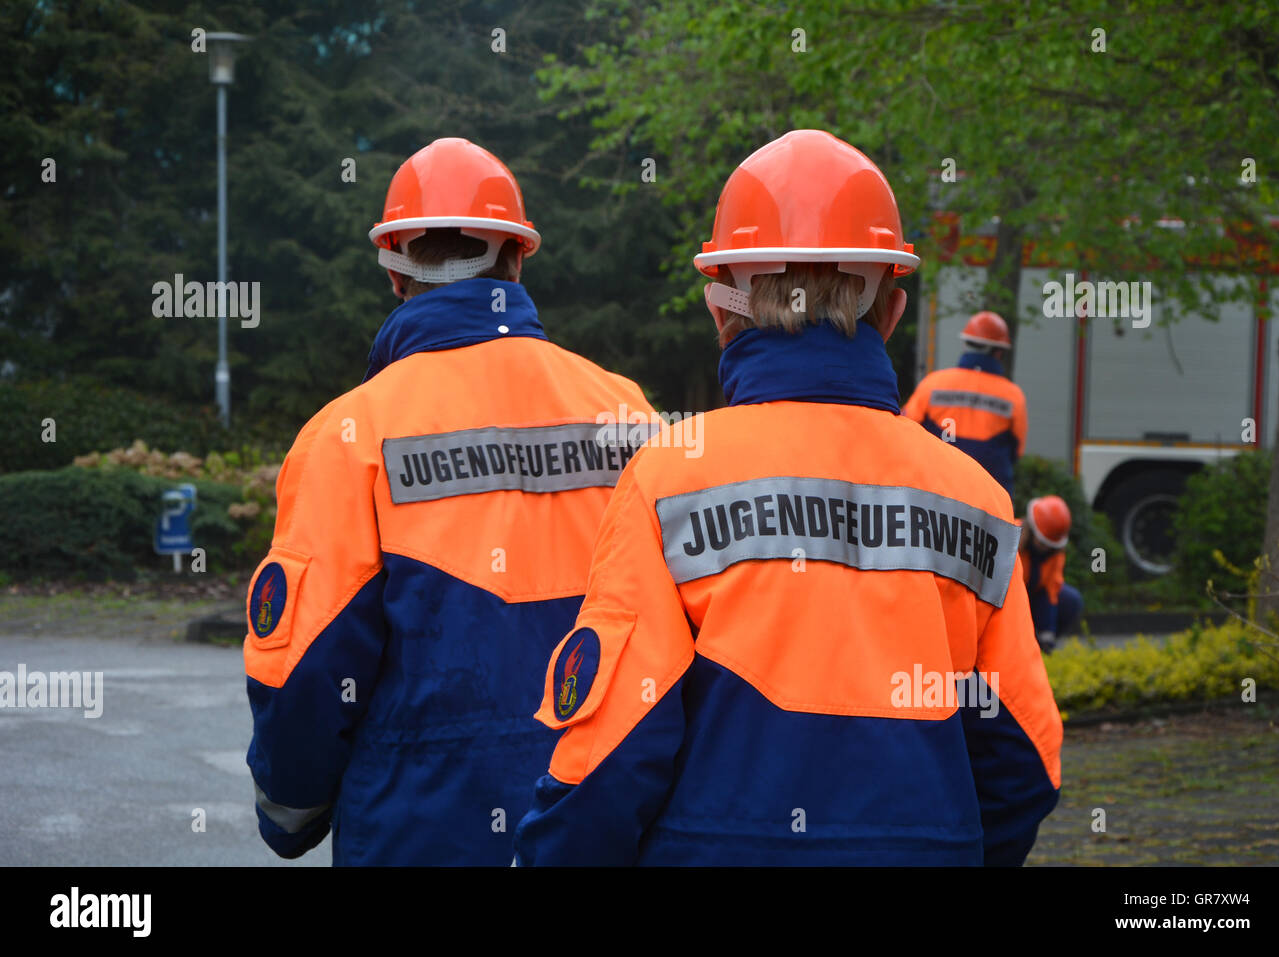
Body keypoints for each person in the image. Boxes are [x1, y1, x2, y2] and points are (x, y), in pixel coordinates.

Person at [514, 130, 1062, 866]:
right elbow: (1023, 760)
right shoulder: (981, 501)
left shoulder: (669, 478)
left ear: (722, 309)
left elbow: (615, 753)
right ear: (892, 310)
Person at [242, 137, 656, 864]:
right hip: (598, 827)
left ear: (395, 272)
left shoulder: (348, 435)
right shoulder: (626, 413)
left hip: (416, 834)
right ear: (517, 259)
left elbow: (309, 666)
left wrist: (290, 810)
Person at [903, 311, 1028, 497]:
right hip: (990, 498)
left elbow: (907, 428)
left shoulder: (932, 384)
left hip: (936, 491)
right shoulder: (1013, 396)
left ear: (965, 343)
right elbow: (1017, 450)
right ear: (1000, 351)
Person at [1020, 495, 1082, 651]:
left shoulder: (1056, 553)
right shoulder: (1010, 538)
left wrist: (1048, 633)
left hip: (1035, 596)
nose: (1044, 548)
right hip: (1010, 601)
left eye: (1048, 544)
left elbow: (1050, 591)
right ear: (1032, 529)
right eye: (1042, 542)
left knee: (1071, 601)